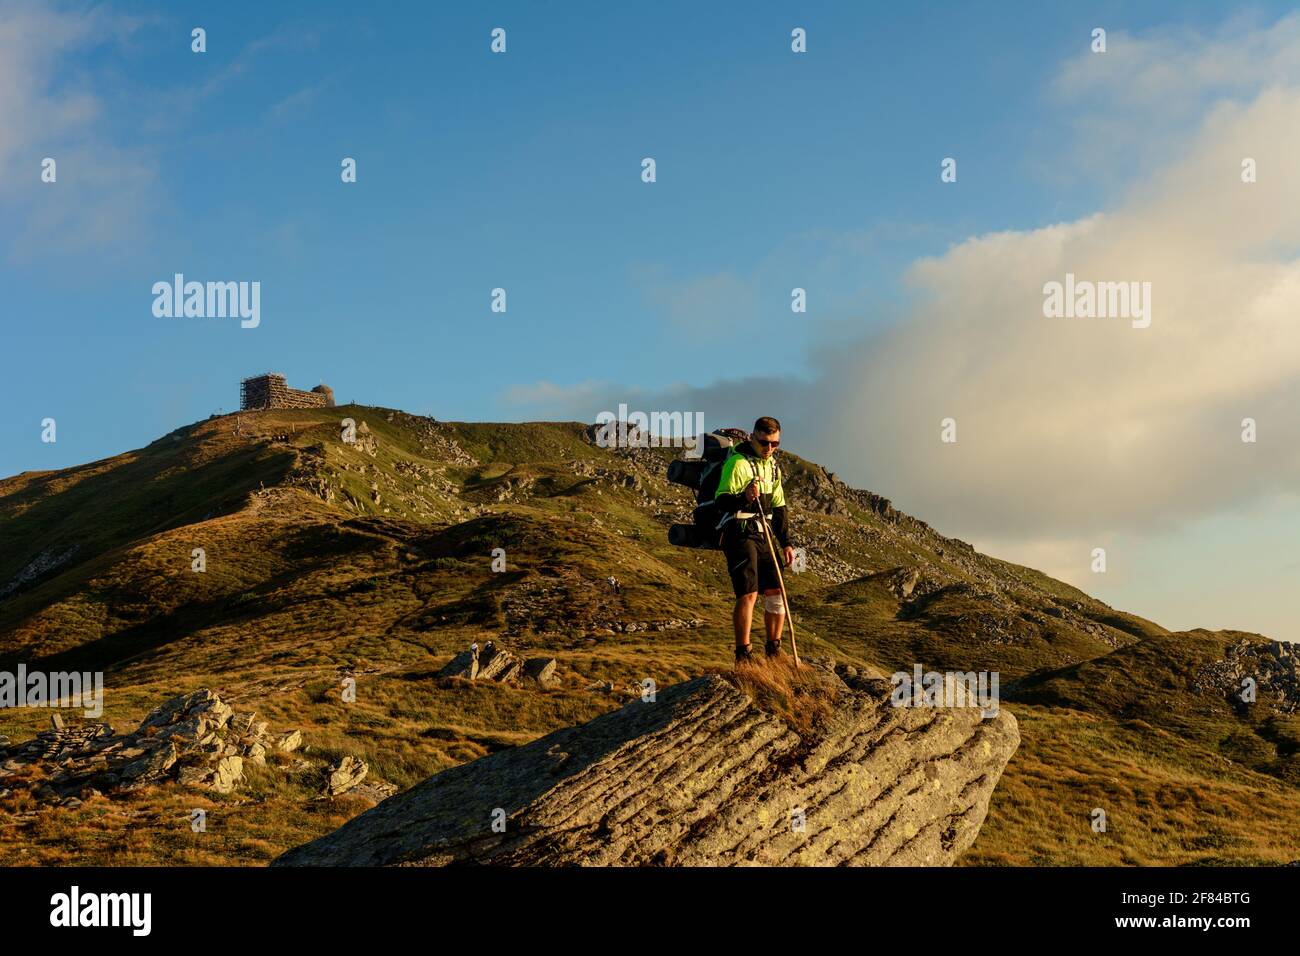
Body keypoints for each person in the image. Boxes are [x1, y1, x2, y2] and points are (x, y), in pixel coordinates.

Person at [713, 416, 795, 663]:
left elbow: (779, 507)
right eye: (764, 443)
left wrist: (787, 543)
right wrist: (745, 497)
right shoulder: (737, 463)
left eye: (775, 444)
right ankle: (744, 654)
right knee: (748, 594)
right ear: (753, 437)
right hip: (739, 530)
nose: (769, 449)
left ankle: (774, 650)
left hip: (765, 532)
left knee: (776, 592)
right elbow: (721, 500)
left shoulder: (773, 468)